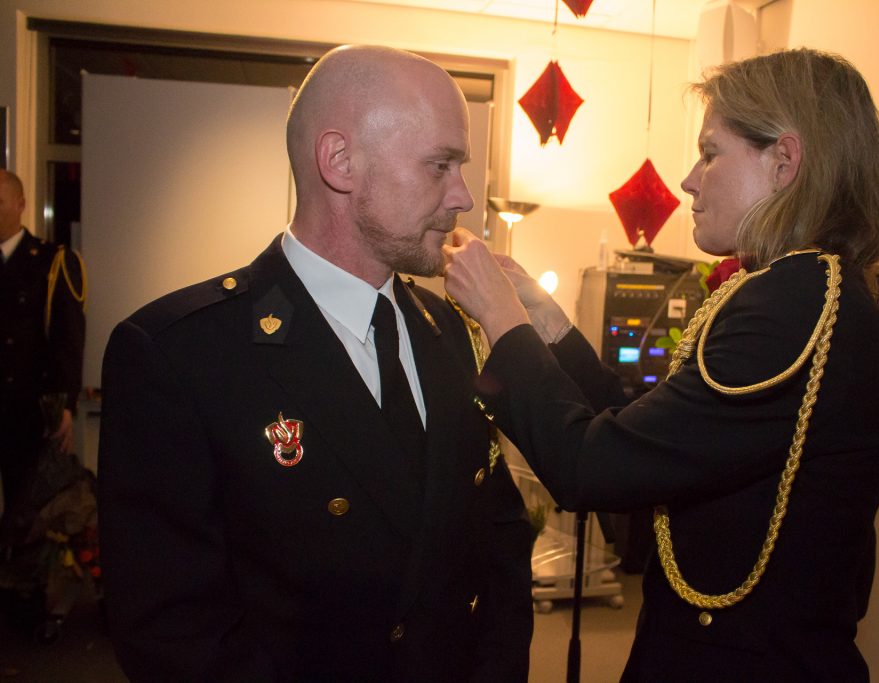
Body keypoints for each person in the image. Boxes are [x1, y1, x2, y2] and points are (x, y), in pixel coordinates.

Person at [444, 49, 879, 681]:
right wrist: (541, 317)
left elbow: (592, 467)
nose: (689, 180)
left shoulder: (792, 299)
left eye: (710, 152)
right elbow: (639, 427)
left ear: (784, 162)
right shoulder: (838, 291)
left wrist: (500, 322)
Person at [98, 45, 533, 681]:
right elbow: (172, 630)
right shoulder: (181, 353)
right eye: (441, 165)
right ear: (339, 162)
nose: (463, 196)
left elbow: (496, 545)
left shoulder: (451, 333)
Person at [0, 169, 85, 544]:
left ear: (20, 205)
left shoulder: (50, 261)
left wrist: (64, 404)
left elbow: (68, 340)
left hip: (27, 410)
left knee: (27, 512)